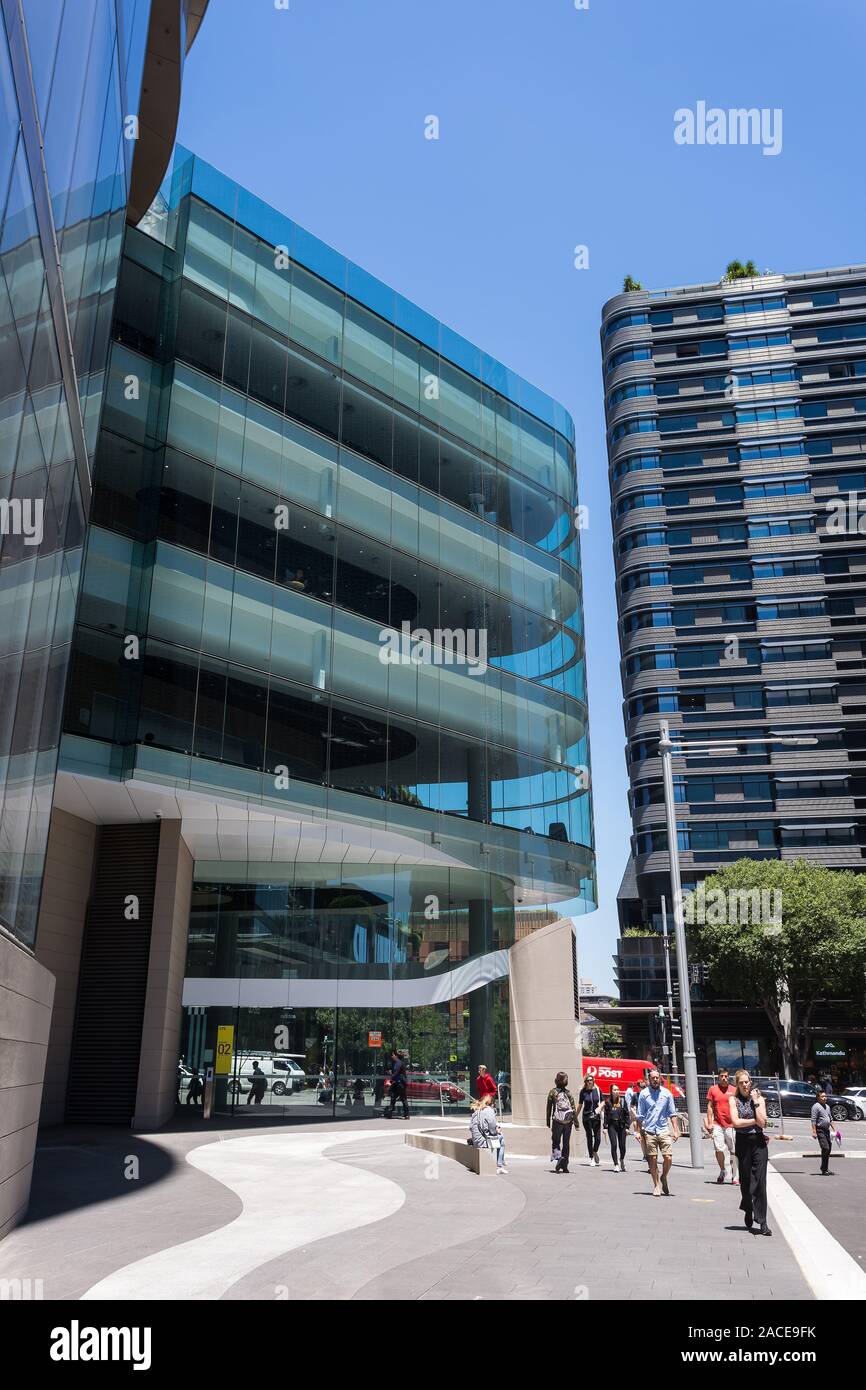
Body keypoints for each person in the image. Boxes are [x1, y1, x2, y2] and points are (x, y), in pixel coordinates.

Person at [729, 1069, 771, 1236]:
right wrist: (754, 1120)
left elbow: (763, 1124)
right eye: (741, 1082)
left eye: (747, 1082)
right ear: (737, 1084)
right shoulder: (733, 1100)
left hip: (759, 1143)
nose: (745, 1085)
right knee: (746, 1182)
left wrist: (755, 1102)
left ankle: (763, 1221)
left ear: (750, 1082)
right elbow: (736, 1122)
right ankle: (748, 1208)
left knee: (760, 1182)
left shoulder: (759, 1098)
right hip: (743, 1143)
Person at [636, 1067, 680, 1196]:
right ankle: (656, 1185)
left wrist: (676, 1130)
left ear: (660, 1079)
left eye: (657, 1078)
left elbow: (672, 1114)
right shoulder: (644, 1094)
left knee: (668, 1158)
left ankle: (664, 1176)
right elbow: (640, 1115)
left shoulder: (667, 1094)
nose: (655, 1080)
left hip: (663, 1130)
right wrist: (638, 1132)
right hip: (649, 1130)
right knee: (653, 1159)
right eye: (652, 1078)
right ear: (649, 1080)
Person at [706, 1067, 738, 1185]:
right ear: (718, 1077)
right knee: (718, 1149)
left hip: (731, 1125)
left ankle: (734, 1175)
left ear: (728, 1077)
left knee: (733, 1151)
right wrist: (710, 1122)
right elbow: (710, 1107)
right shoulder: (713, 1089)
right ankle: (723, 1171)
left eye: (726, 1076)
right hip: (718, 1124)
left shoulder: (734, 1090)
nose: (724, 1078)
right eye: (722, 1076)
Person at [546, 1071, 578, 1173]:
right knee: (566, 1143)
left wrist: (548, 1121)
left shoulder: (553, 1092)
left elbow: (549, 1108)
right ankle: (565, 1166)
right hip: (568, 1122)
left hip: (557, 1121)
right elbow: (573, 1109)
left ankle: (559, 1157)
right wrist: (576, 1123)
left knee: (555, 1141)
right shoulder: (568, 1093)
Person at [469, 1094, 508, 1172]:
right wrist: (497, 1130)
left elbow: (470, 1128)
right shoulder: (489, 1110)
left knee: (498, 1138)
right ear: (492, 1104)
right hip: (482, 1142)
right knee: (501, 1138)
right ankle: (499, 1165)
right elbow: (492, 1130)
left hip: (476, 1141)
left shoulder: (477, 1111)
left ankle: (501, 1161)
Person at [577, 1074, 603, 1166]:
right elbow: (580, 1105)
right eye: (588, 1080)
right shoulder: (583, 1092)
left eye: (591, 1080)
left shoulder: (598, 1090)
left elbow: (603, 1101)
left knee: (598, 1138)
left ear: (593, 1081)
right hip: (586, 1117)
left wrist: (600, 1107)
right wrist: (575, 1116)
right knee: (589, 1138)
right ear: (585, 1082)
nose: (589, 1082)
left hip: (596, 1117)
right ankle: (591, 1157)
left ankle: (595, 1151)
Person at [603, 1084, 630, 1172]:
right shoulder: (608, 1101)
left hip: (621, 1125)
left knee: (622, 1146)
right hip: (612, 1125)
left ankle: (621, 1159)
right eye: (614, 1090)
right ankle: (616, 1164)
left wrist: (627, 1127)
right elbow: (606, 1115)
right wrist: (605, 1127)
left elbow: (627, 1115)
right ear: (611, 1091)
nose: (616, 1091)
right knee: (614, 1145)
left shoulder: (622, 1101)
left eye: (617, 1089)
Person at [811, 1088, 835, 1176]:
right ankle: (824, 1169)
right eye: (822, 1096)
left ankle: (825, 1168)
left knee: (828, 1149)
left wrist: (834, 1129)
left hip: (827, 1131)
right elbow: (813, 1120)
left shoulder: (827, 1106)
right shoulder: (816, 1106)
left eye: (825, 1096)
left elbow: (830, 1119)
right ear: (818, 1098)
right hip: (820, 1130)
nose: (825, 1098)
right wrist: (814, 1131)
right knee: (825, 1148)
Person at [386, 1048, 409, 1118]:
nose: (391, 1056)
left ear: (395, 1056)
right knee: (393, 1096)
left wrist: (391, 1075)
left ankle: (406, 1114)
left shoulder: (399, 1063)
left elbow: (396, 1073)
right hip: (396, 1083)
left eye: (392, 1055)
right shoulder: (395, 1063)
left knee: (403, 1098)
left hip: (401, 1084)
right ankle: (390, 1113)